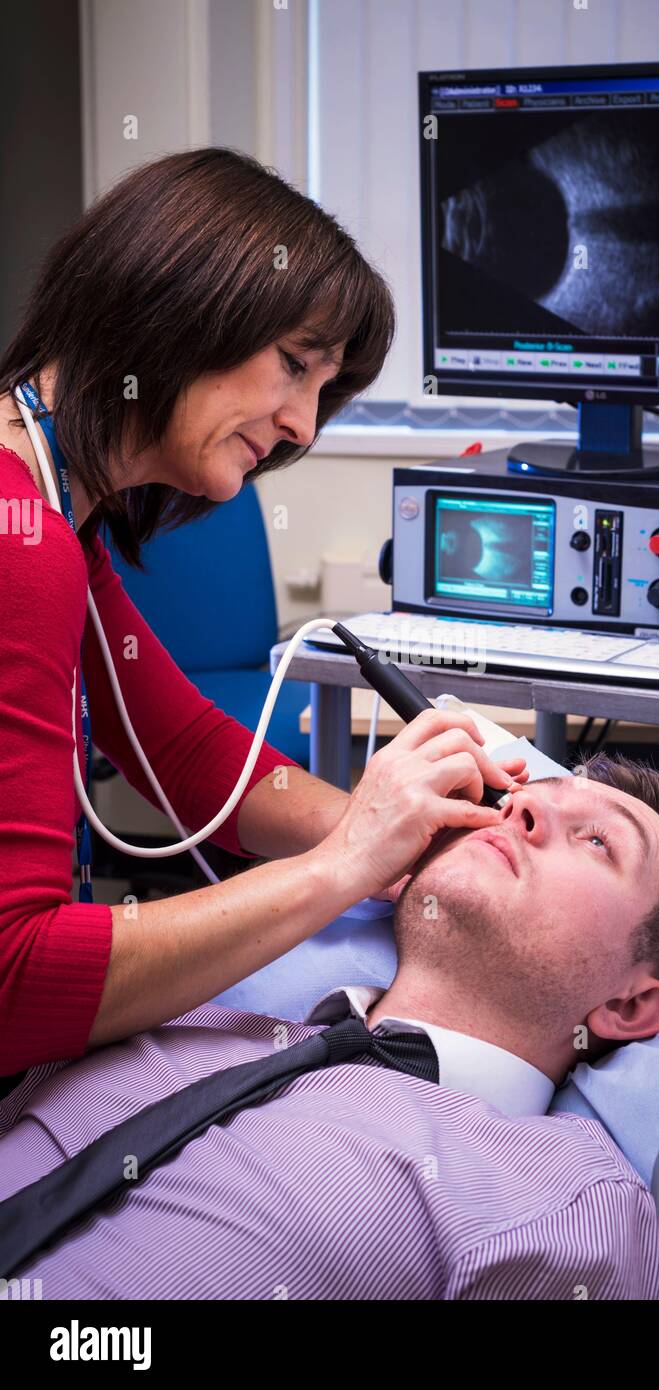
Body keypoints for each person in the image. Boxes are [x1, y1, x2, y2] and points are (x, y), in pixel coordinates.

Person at [0, 147, 526, 1082]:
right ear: (169, 300)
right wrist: (343, 867)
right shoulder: (22, 544)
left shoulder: (52, 514)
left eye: (322, 391)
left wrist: (397, 825)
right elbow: (14, 986)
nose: (303, 427)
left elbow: (190, 757)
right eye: (294, 366)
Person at [0, 754, 659, 1300]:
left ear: (627, 1008)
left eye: (597, 843)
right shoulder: (179, 1011)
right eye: (522, 795)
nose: (521, 811)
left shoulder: (554, 1202)